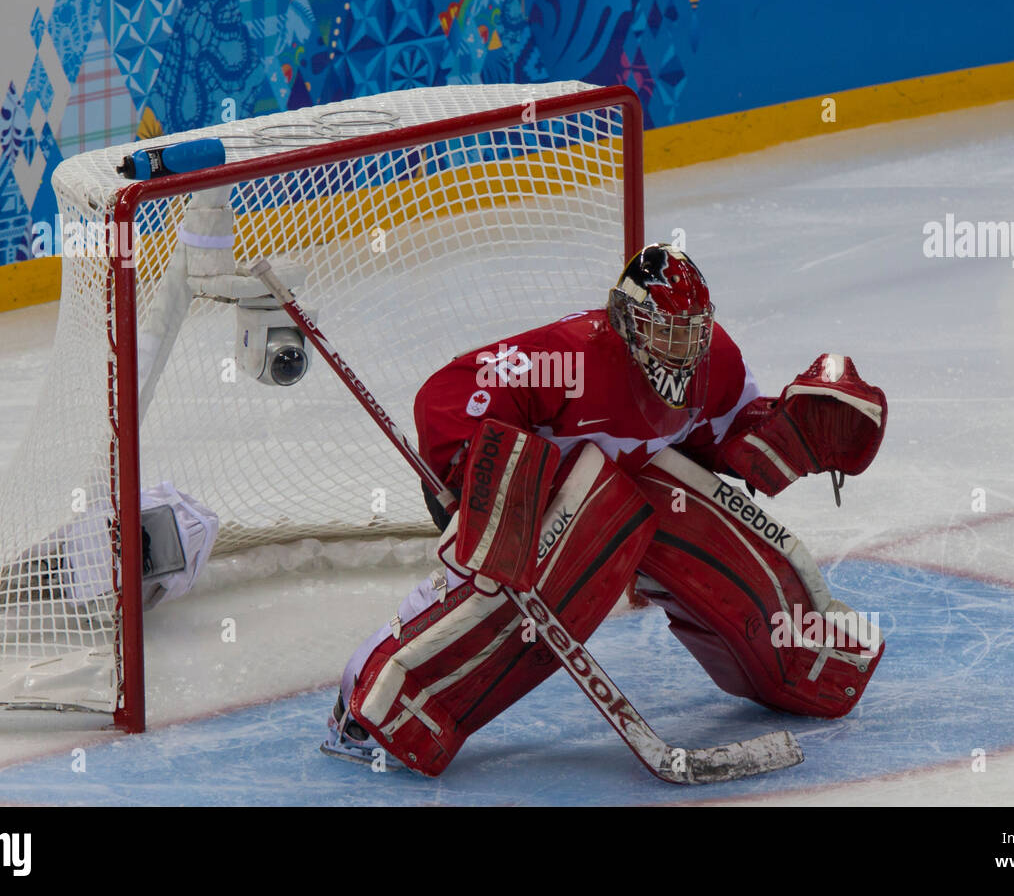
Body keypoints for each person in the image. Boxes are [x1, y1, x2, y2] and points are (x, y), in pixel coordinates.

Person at [323, 244, 888, 775]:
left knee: (674, 502)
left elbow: (717, 434)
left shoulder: (716, 360)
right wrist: (489, 486)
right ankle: (369, 708)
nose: (681, 349)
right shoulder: (568, 358)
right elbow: (444, 397)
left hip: (604, 496)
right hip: (501, 497)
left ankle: (794, 668)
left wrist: (776, 437)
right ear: (628, 323)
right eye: (664, 332)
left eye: (690, 332)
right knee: (506, 584)